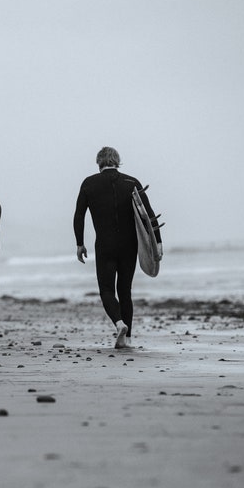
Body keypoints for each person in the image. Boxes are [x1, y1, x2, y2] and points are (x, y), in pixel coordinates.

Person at [73, 147, 162, 349]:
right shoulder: (131, 183)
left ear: (99, 162)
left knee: (106, 290)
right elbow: (148, 214)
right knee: (125, 291)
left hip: (105, 245)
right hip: (129, 245)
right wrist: (157, 242)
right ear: (118, 161)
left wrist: (79, 243)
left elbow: (79, 215)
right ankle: (128, 339)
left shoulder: (89, 183)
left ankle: (119, 323)